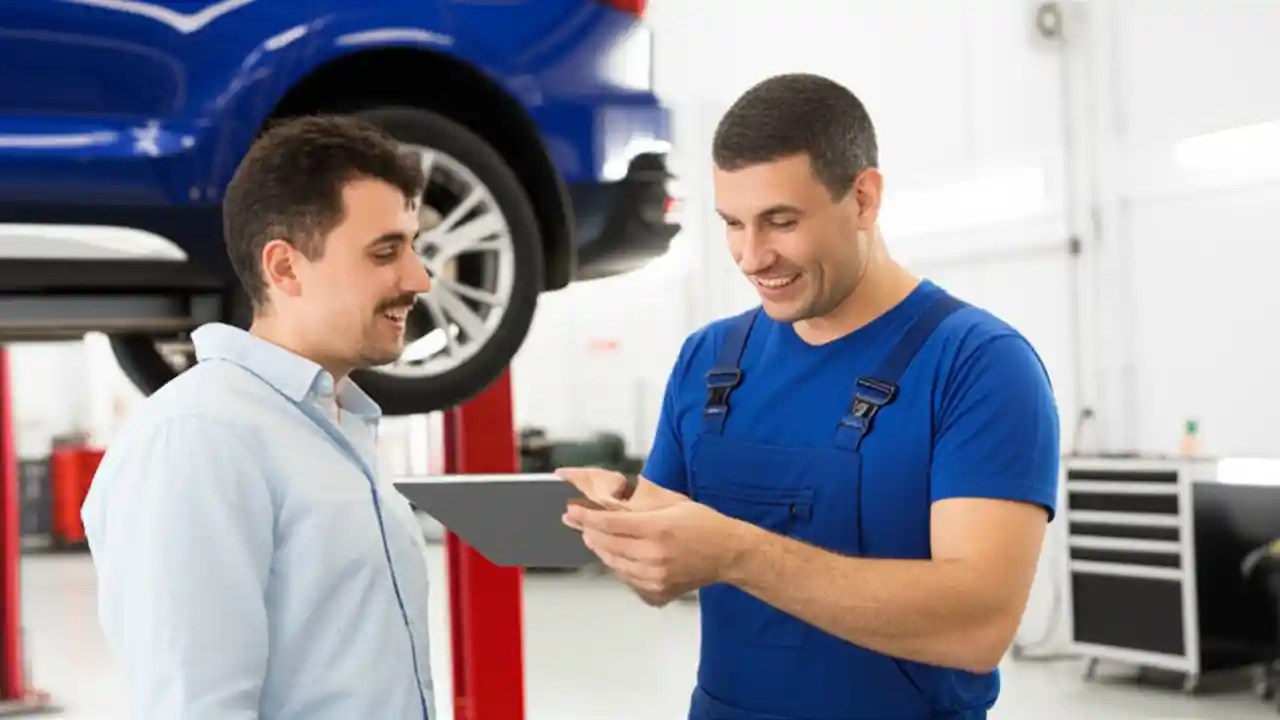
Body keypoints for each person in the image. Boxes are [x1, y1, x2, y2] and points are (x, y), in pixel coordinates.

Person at [559, 73, 1060, 719]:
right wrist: (616, 522)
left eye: (781, 221)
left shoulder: (978, 365)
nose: (751, 256)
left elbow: (976, 627)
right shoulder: (707, 361)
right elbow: (660, 581)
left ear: (864, 199)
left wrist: (737, 553)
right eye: (733, 224)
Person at [81, 116, 436, 719]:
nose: (419, 279)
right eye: (385, 252)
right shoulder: (202, 435)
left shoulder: (337, 424)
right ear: (285, 268)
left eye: (414, 247)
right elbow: (196, 707)